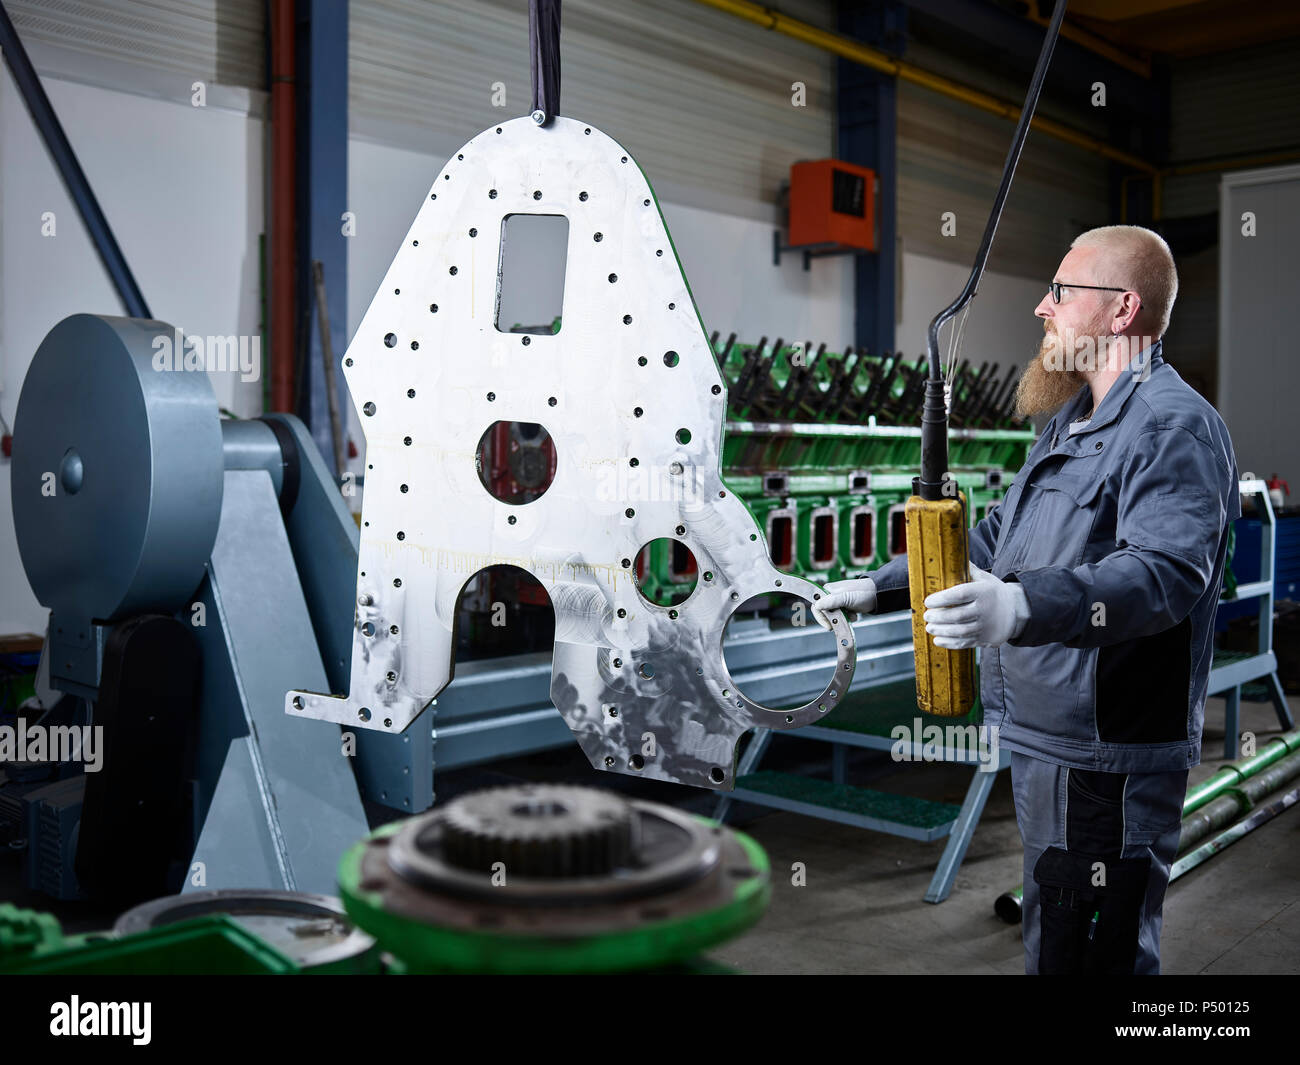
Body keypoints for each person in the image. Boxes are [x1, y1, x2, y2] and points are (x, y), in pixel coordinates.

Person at [813, 225, 1239, 974]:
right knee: (1055, 936)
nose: (1042, 307)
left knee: (1092, 955)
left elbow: (1165, 576)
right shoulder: (1069, 424)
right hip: (1047, 736)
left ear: (1120, 310)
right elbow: (992, 539)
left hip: (1108, 752)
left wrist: (1019, 607)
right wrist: (878, 588)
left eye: (1062, 292)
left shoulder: (1172, 427)